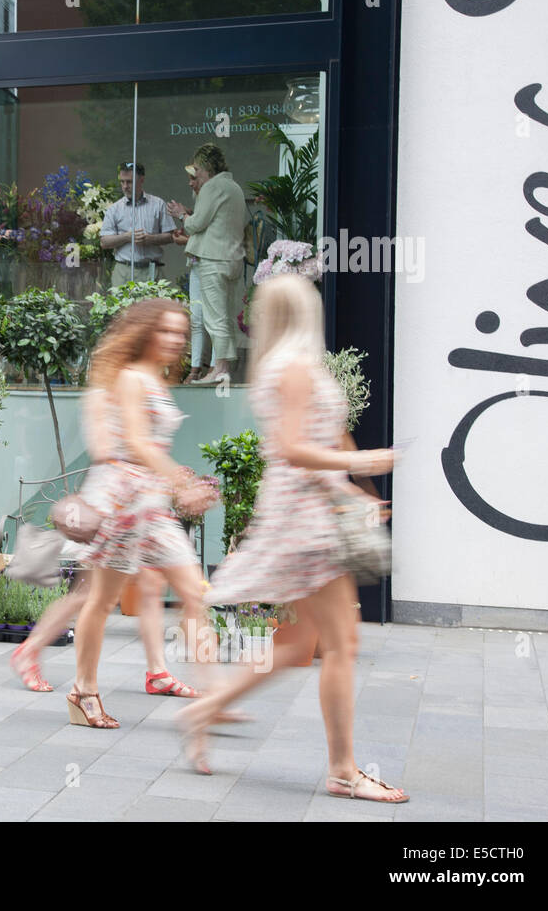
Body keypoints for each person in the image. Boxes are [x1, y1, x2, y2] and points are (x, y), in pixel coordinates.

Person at [178, 275, 408, 803]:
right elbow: (291, 448)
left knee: (297, 643)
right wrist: (363, 465)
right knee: (341, 644)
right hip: (307, 519)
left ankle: (204, 710)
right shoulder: (298, 368)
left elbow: (299, 450)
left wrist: (350, 491)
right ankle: (344, 771)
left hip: (300, 511)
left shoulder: (277, 367)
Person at [56, 300, 219, 728]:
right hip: (123, 503)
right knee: (102, 601)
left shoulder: (157, 380)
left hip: (153, 505)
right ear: (146, 332)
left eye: (181, 333)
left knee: (195, 593)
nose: (176, 340)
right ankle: (83, 691)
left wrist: (175, 485)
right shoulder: (131, 378)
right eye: (166, 331)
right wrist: (182, 483)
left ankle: (214, 699)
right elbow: (137, 442)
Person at [167, 144, 246, 385]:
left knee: (214, 318)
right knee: (227, 316)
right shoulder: (234, 187)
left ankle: (219, 368)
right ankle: (225, 367)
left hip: (213, 259)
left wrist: (182, 214)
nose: (195, 175)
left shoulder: (212, 186)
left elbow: (195, 224)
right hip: (233, 259)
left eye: (197, 170)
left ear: (207, 168)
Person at [100, 161, 178, 289]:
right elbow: (104, 242)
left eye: (129, 182)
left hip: (152, 271)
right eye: (122, 182)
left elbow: (171, 236)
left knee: (156, 303)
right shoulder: (114, 209)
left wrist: (150, 239)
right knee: (122, 303)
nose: (125, 186)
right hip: (124, 270)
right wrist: (127, 237)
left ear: (142, 180)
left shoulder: (158, 204)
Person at [173, 166, 213, 383]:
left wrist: (183, 218)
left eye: (194, 178)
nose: (190, 183)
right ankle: (195, 368)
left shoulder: (213, 200)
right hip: (196, 265)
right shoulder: (200, 201)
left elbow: (211, 239)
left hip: (212, 266)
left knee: (213, 319)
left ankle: (214, 368)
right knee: (196, 318)